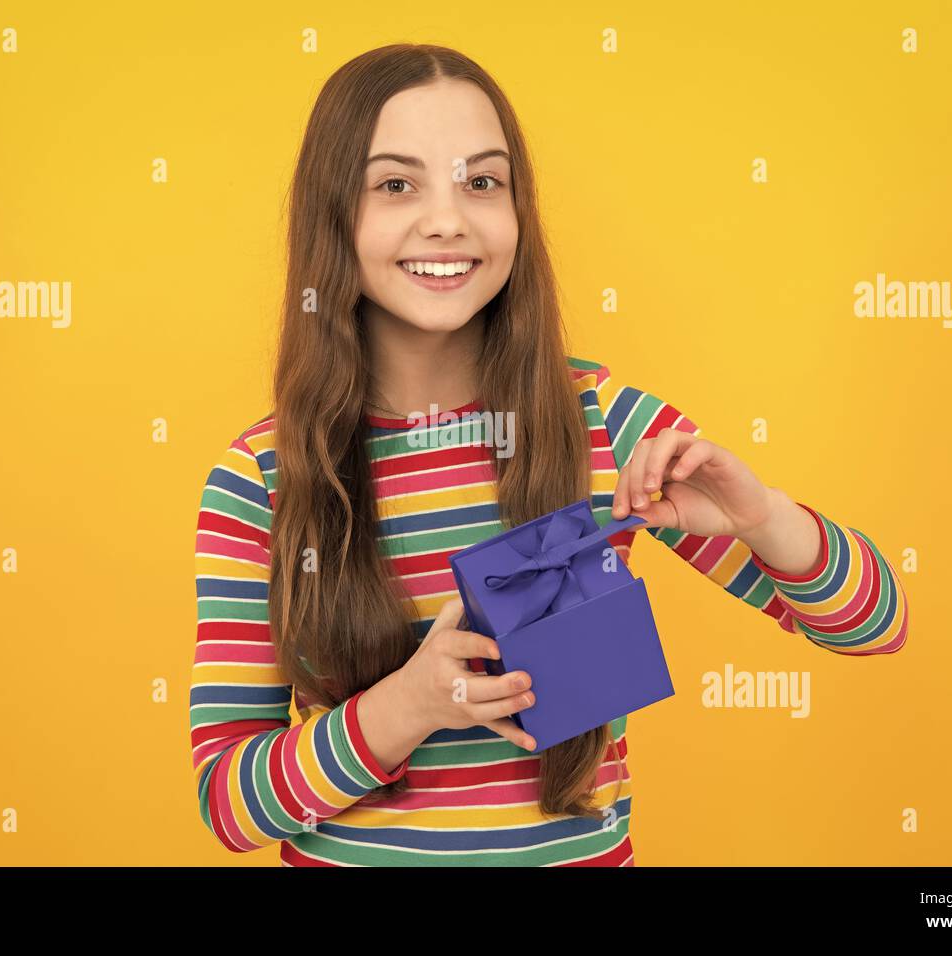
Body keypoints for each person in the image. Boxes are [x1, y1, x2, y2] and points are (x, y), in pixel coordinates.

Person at [189, 43, 909, 866]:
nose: (448, 219)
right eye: (396, 184)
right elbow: (230, 807)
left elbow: (876, 627)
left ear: (518, 212)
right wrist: (409, 705)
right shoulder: (263, 477)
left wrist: (763, 518)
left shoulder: (608, 429)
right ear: (331, 215)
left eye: (481, 182)